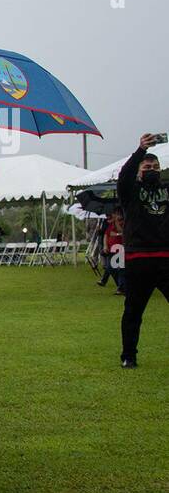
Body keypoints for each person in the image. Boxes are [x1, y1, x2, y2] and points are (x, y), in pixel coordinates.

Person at [117, 137, 169, 368]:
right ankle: (129, 355)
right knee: (133, 311)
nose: (152, 171)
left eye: (156, 168)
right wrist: (141, 150)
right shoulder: (130, 193)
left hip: (166, 257)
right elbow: (124, 176)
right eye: (147, 167)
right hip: (139, 259)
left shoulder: (166, 190)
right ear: (139, 171)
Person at [102, 209, 126, 294]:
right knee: (110, 268)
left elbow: (123, 232)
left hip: (120, 247)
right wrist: (105, 245)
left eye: (115, 214)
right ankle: (121, 286)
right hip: (112, 248)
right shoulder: (111, 224)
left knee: (120, 268)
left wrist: (116, 225)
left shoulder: (123, 222)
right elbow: (106, 234)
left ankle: (121, 287)